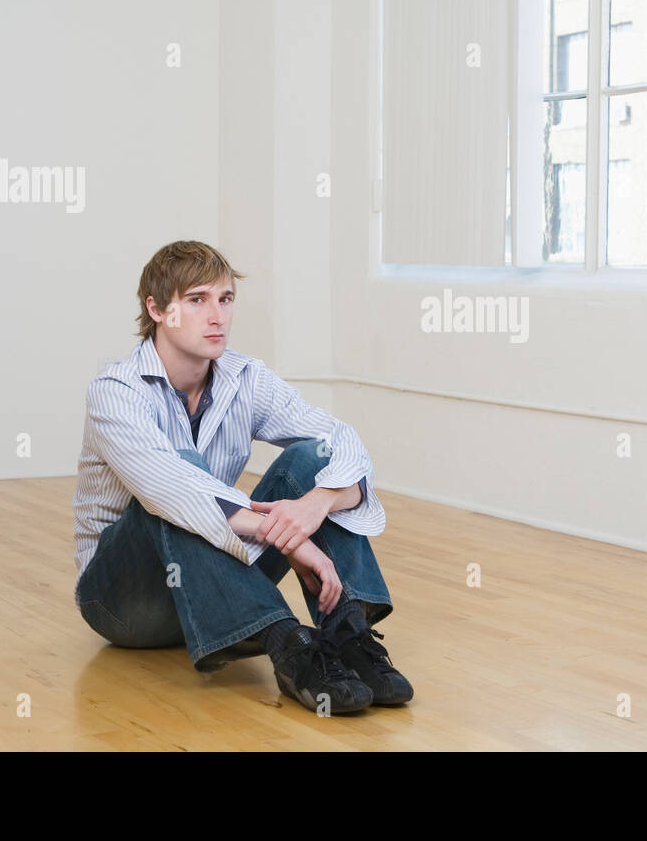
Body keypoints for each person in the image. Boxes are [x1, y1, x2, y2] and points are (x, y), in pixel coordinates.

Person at [71, 240, 412, 714]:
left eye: (225, 299)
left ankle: (346, 634)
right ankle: (290, 647)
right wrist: (291, 539)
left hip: (216, 578)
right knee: (181, 476)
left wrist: (314, 505)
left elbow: (342, 443)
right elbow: (169, 487)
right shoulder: (115, 391)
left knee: (313, 460)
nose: (218, 316)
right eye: (197, 301)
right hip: (127, 601)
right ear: (157, 308)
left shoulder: (245, 377)